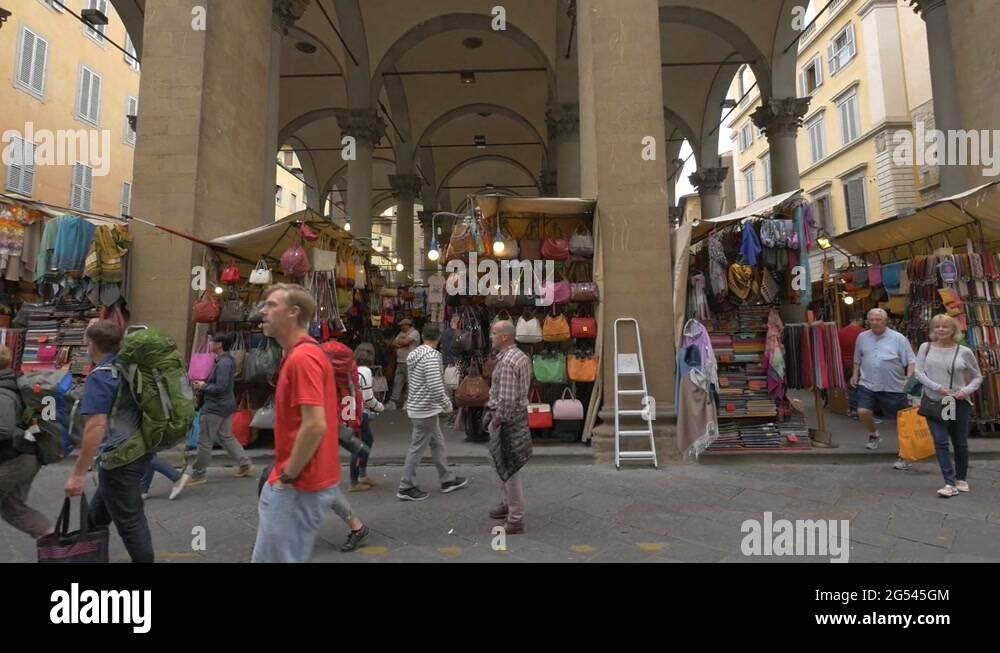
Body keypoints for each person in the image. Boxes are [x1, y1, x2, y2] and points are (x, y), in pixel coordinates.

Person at [251, 283, 351, 563]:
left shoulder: (303, 358)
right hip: (306, 482)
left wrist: (287, 476)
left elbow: (315, 425)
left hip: (299, 485)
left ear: (293, 313)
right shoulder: (305, 353)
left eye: (271, 305)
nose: (263, 312)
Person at [65, 320, 153, 563]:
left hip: (119, 458)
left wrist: (78, 474)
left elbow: (95, 426)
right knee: (97, 516)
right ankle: (86, 555)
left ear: (91, 345)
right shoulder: (129, 368)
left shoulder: (101, 376)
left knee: (131, 522)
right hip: (138, 450)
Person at [396, 322, 467, 501]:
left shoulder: (415, 353)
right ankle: (406, 486)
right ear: (439, 338)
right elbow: (435, 385)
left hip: (418, 406)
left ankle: (447, 479)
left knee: (437, 443)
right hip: (425, 410)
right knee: (417, 448)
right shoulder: (432, 356)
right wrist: (447, 404)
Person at [914, 314, 983, 498]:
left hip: (956, 401)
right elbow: (918, 372)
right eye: (937, 326)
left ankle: (961, 479)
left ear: (953, 330)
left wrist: (966, 391)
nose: (941, 330)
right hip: (936, 400)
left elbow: (978, 376)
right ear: (932, 330)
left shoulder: (963, 351)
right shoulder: (925, 348)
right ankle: (949, 482)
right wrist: (937, 388)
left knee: (959, 442)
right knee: (941, 441)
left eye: (945, 326)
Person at [849, 308, 916, 468]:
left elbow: (911, 361)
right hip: (868, 382)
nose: (875, 322)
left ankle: (905, 455)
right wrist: (855, 375)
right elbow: (857, 358)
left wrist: (908, 378)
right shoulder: (862, 337)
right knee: (862, 412)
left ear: (885, 321)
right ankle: (874, 434)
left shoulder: (898, 339)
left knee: (901, 422)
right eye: (872, 319)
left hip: (893, 386)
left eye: (878, 320)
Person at [184, 332, 253, 487]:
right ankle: (244, 463)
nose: (211, 344)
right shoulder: (226, 361)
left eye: (213, 342)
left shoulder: (223, 363)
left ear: (220, 344)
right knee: (225, 436)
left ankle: (199, 473)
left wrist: (203, 386)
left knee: (205, 441)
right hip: (226, 406)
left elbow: (220, 387)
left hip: (215, 407)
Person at [484, 320, 533, 534]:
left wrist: (496, 421)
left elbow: (506, 400)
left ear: (505, 337)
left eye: (494, 333)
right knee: (501, 463)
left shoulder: (506, 363)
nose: (491, 337)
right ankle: (508, 504)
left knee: (510, 468)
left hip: (507, 421)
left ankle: (515, 518)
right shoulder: (520, 356)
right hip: (518, 417)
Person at [0, 346, 51, 540]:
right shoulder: (13, 382)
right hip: (27, 456)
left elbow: (3, 427)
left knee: (14, 509)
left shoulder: (3, 391)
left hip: (14, 459)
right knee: (13, 510)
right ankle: (55, 546)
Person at [349, 343, 384, 492]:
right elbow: (368, 398)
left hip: (350, 410)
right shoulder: (365, 371)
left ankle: (361, 475)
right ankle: (355, 481)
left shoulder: (352, 368)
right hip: (359, 412)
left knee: (366, 440)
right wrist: (379, 407)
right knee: (360, 444)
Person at [386, 319, 421, 410]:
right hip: (400, 361)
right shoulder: (401, 333)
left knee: (410, 382)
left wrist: (402, 342)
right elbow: (393, 343)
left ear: (408, 325)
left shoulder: (414, 333)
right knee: (398, 381)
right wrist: (403, 342)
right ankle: (393, 401)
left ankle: (408, 401)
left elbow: (405, 342)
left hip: (411, 362)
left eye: (402, 325)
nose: (401, 327)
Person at [838, 314, 865, 419]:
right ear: (859, 319)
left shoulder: (840, 332)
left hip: (846, 364)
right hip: (861, 364)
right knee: (863, 388)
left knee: (851, 387)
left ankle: (854, 410)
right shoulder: (863, 332)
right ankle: (863, 410)